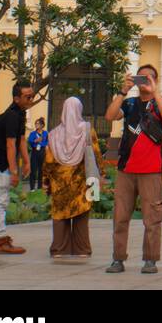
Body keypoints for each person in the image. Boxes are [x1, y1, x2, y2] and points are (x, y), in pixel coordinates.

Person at [105, 64, 162, 274]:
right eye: (141, 78)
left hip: (151, 170)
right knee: (120, 216)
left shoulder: (161, 103)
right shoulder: (130, 103)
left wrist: (156, 93)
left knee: (152, 218)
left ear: (156, 80)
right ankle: (118, 258)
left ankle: (150, 260)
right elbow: (110, 116)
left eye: (149, 78)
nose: (144, 81)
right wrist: (122, 91)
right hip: (126, 169)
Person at [45, 96, 101, 259]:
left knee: (60, 215)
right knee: (81, 214)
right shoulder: (87, 129)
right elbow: (95, 154)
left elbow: (48, 161)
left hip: (60, 183)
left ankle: (59, 249)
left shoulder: (53, 134)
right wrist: (102, 174)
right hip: (82, 181)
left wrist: (46, 180)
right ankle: (81, 249)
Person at [0, 81, 37, 255]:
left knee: (3, 201)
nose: (31, 99)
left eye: (32, 95)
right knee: (0, 202)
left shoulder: (20, 114)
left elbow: (21, 140)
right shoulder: (12, 116)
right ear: (16, 98)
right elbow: (10, 144)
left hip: (2, 163)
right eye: (27, 96)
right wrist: (13, 171)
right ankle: (0, 241)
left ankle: (1, 239)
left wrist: (27, 161)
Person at [27, 118, 49, 190]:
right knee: (33, 170)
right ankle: (32, 188)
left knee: (41, 171)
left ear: (42, 125)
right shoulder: (33, 133)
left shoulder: (45, 133)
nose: (36, 125)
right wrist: (36, 140)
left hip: (42, 152)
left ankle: (39, 188)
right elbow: (30, 141)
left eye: (38, 124)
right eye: (35, 123)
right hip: (35, 152)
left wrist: (45, 146)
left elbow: (47, 142)